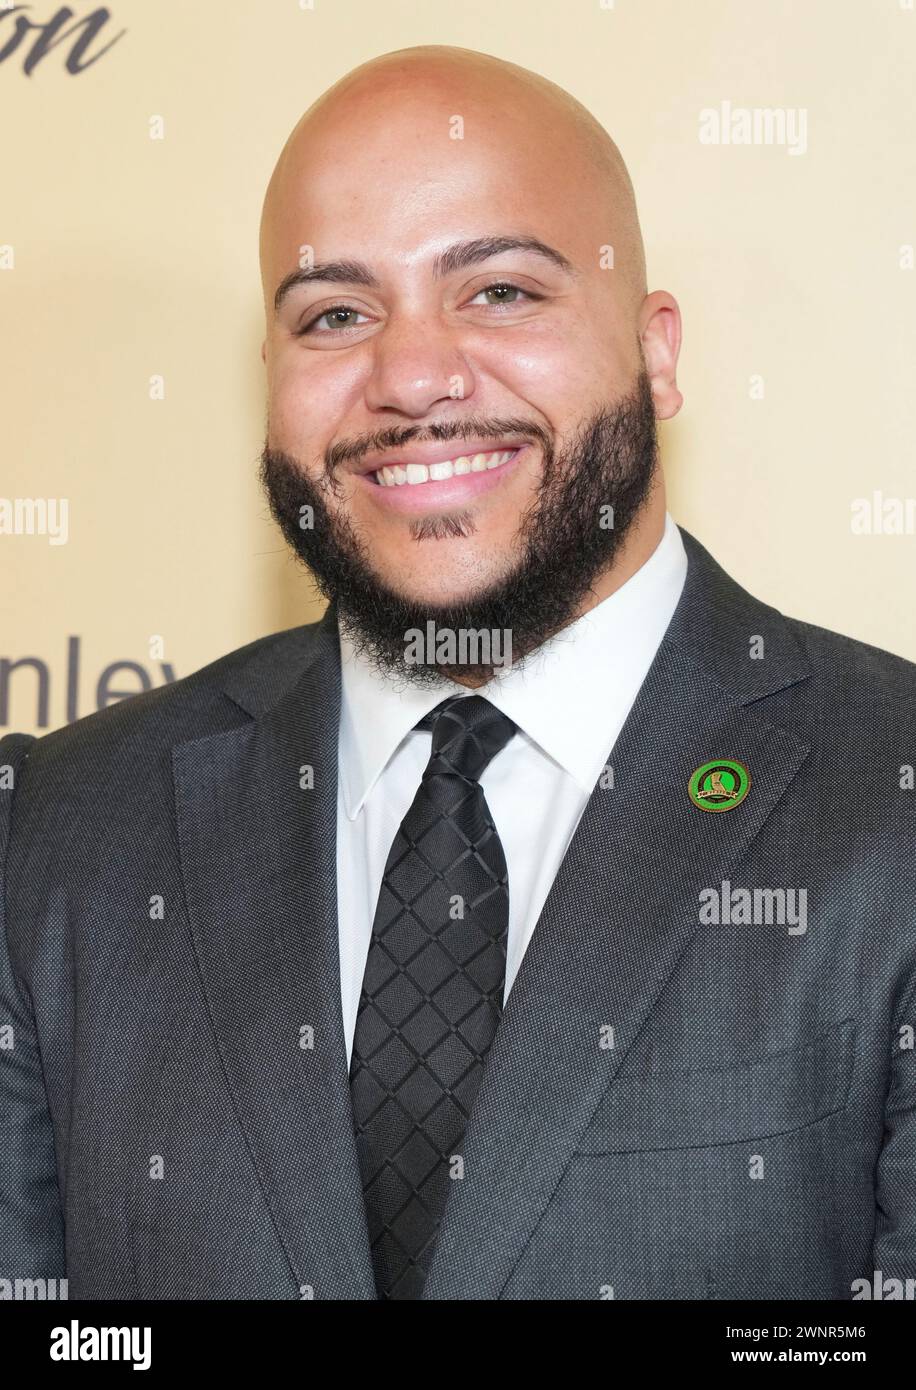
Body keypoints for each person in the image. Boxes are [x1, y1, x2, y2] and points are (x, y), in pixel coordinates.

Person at [1, 45, 913, 1302]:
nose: (411, 376)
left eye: (498, 291)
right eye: (335, 313)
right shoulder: (56, 832)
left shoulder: (889, 795)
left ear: (654, 352)